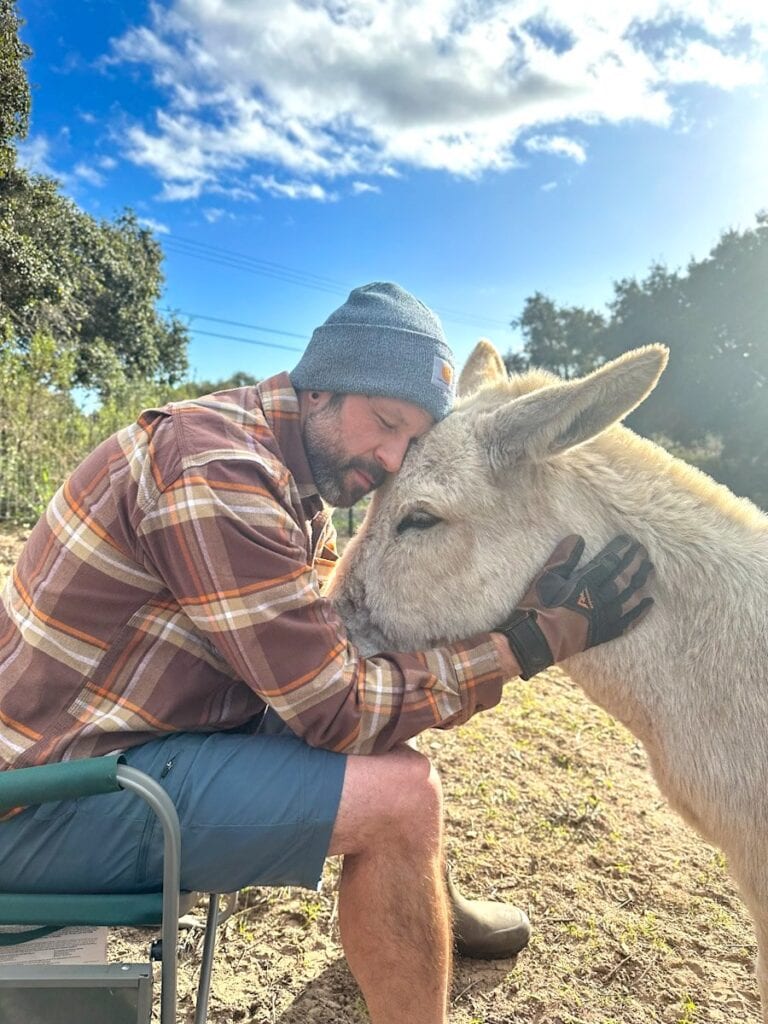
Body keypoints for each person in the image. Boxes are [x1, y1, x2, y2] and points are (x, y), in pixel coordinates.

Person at [0, 282, 654, 1024]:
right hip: (41, 804)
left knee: (392, 729)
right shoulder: (219, 473)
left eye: (410, 440)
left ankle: (434, 900)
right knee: (401, 802)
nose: (389, 456)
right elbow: (338, 709)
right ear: (320, 387)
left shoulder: (282, 470)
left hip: (126, 741)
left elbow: (332, 661)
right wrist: (527, 644)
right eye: (384, 423)